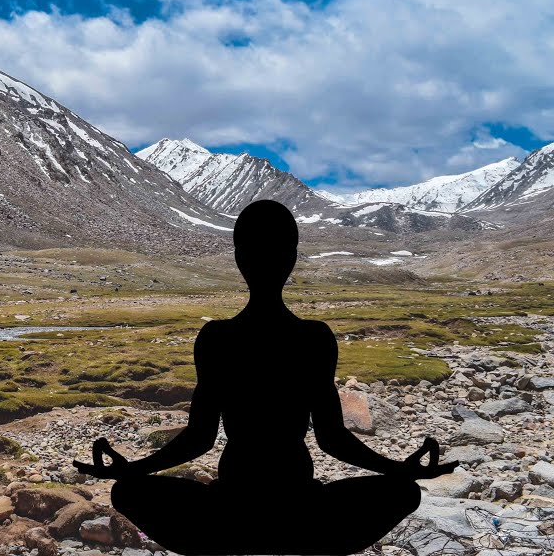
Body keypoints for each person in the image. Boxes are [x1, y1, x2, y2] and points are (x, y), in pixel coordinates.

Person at [74, 199, 456, 555]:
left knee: (129, 492)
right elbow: (333, 440)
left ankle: (229, 540)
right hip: (302, 507)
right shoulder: (314, 338)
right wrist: (399, 469)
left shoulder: (217, 338)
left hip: (229, 508)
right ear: (291, 259)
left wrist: (132, 470)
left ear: (240, 258)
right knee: (403, 492)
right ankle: (303, 540)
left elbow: (199, 439)